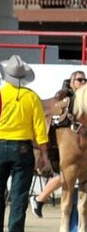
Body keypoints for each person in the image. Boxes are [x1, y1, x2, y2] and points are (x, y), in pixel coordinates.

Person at [0, 54, 48, 232]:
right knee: (19, 197)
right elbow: (39, 128)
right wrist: (44, 153)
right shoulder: (31, 97)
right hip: (22, 149)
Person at [32, 69, 85, 218]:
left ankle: (39, 199)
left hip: (77, 151)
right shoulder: (67, 101)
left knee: (66, 175)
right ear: (72, 82)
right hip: (66, 151)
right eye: (79, 80)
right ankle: (39, 199)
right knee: (65, 174)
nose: (83, 83)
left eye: (84, 80)